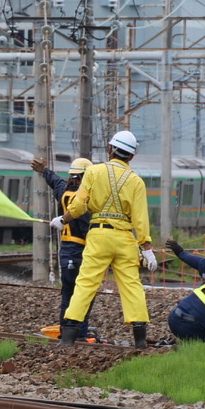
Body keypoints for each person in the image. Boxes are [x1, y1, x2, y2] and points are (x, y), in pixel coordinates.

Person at [54, 130, 154, 348]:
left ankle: (68, 337)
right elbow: (140, 219)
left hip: (99, 235)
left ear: (109, 149)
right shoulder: (137, 182)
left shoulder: (93, 172)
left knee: (86, 283)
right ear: (131, 156)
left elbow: (78, 206)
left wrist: (63, 219)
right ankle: (140, 340)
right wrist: (146, 248)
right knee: (132, 286)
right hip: (125, 239)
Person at [32, 156, 96, 340]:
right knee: (84, 294)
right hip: (80, 252)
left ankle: (65, 331)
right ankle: (79, 334)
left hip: (65, 251)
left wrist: (44, 170)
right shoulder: (84, 200)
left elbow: (56, 181)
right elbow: (86, 228)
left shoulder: (64, 192)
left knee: (67, 294)